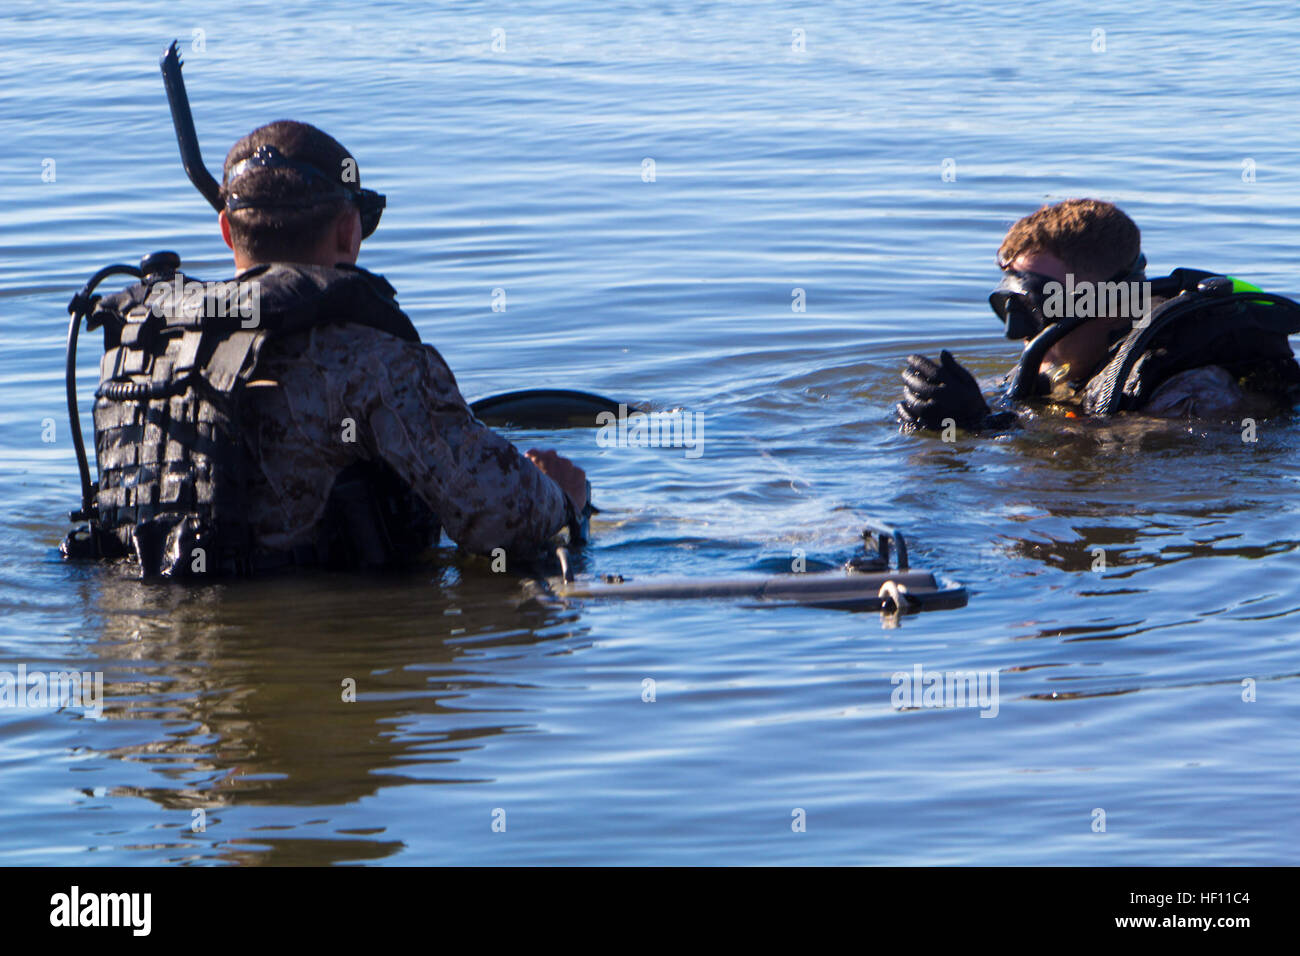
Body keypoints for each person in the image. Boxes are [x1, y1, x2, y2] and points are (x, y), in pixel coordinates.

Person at [72, 120, 587, 576]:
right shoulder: (371, 360)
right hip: (287, 650)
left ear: (228, 232)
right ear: (349, 230)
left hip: (144, 663)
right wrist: (562, 497)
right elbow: (498, 516)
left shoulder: (143, 344)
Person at [897, 199, 1300, 432]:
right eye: (1008, 305)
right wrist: (945, 404)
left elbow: (1138, 453)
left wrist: (985, 430)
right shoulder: (1073, 364)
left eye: (1033, 308)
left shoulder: (1195, 392)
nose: (1016, 330)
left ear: (1107, 306)